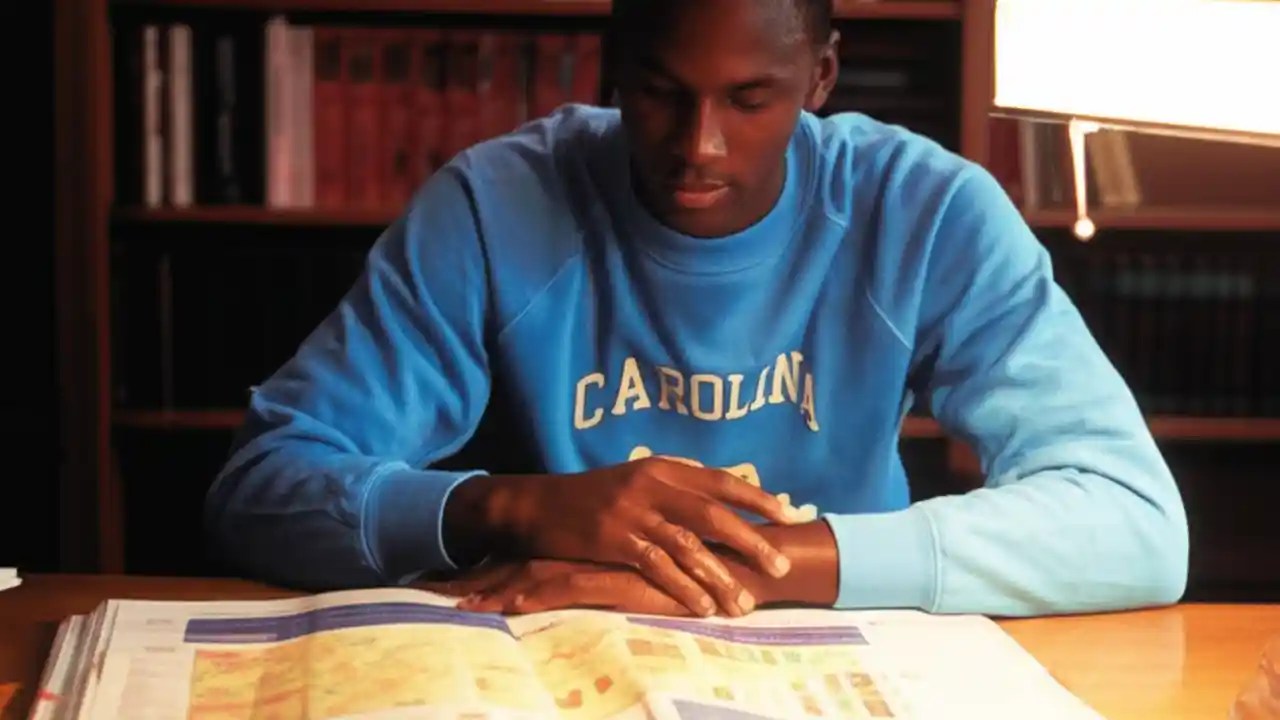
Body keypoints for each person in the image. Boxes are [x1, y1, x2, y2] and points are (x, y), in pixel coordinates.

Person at [204, 0, 1189, 619]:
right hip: (554, 640)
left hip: (843, 652)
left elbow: (1135, 527)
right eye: (662, 94)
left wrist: (763, 565)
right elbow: (259, 490)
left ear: (820, 77)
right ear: (614, 70)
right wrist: (514, 504)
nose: (698, 147)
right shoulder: (495, 202)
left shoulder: (923, 210)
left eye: (749, 100)